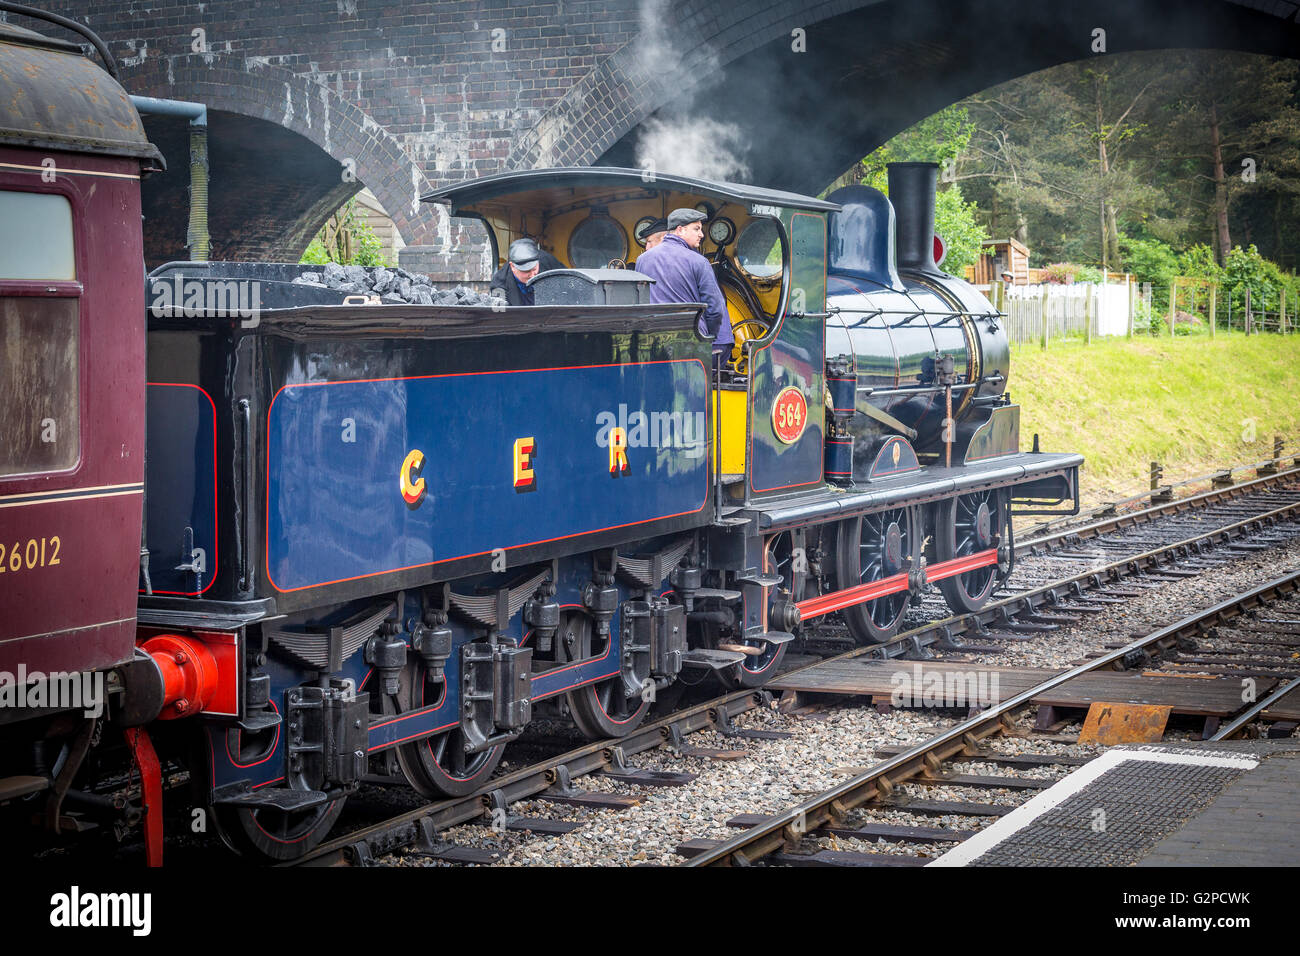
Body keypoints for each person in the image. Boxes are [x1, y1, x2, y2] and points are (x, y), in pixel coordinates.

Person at [634, 208, 733, 362]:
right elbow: (716, 307)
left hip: (655, 343)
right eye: (697, 229)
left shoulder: (642, 260)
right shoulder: (699, 261)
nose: (701, 234)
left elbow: (640, 301)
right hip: (691, 343)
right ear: (680, 230)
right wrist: (707, 337)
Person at [489, 237, 563, 305]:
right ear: (512, 266)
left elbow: (570, 281)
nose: (532, 275)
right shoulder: (498, 285)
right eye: (526, 271)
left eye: (534, 269)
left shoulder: (547, 260)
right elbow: (499, 313)